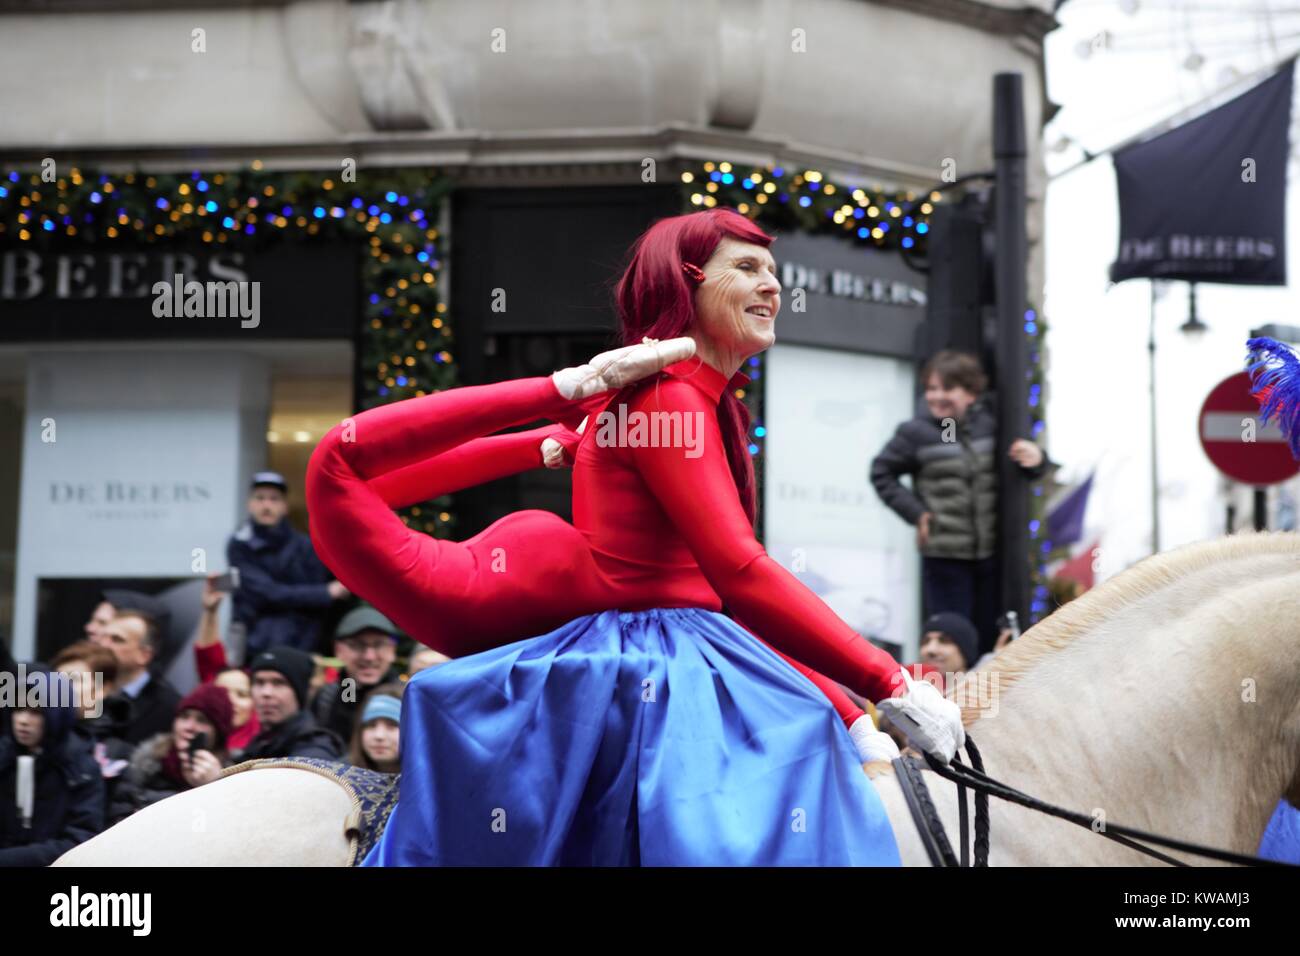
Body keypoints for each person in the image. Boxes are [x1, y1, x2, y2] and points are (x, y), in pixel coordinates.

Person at [305, 206, 962, 866]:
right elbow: (736, 572)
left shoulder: (699, 404)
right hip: (644, 658)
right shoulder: (669, 399)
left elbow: (719, 596)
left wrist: (850, 704)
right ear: (685, 284)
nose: (772, 286)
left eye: (772, 269)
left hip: (661, 644)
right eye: (747, 267)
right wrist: (888, 684)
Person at [870, 350, 1052, 655]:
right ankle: (951, 701)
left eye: (946, 388)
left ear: (970, 394)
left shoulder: (994, 424)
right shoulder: (915, 433)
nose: (936, 396)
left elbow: (1025, 467)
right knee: (949, 642)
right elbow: (881, 472)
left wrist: (1038, 460)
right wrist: (917, 513)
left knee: (991, 641)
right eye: (930, 388)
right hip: (945, 557)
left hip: (992, 556)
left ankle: (989, 702)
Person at [227, 470, 350, 657]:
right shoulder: (239, 545)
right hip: (257, 649)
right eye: (260, 498)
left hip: (306, 646)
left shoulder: (307, 546)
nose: (266, 505)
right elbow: (267, 594)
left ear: (285, 506)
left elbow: (319, 607)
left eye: (274, 499)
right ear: (249, 504)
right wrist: (325, 592)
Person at [0, 669, 104, 866]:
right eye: (18, 709)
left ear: (56, 714)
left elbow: (80, 840)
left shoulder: (81, 769)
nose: (23, 720)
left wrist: (10, 859)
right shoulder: (4, 757)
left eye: (36, 712)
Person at [108, 684, 233, 824]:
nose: (189, 727)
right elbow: (118, 813)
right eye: (184, 717)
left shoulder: (230, 778)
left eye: (202, 720)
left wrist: (212, 787)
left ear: (218, 733)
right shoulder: (144, 762)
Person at [310, 606, 404, 743]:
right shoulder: (327, 698)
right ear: (338, 650)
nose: (369, 656)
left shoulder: (407, 697)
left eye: (379, 645)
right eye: (358, 645)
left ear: (392, 651)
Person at [91, 605, 182, 746]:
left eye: (117, 639)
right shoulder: (84, 690)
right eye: (103, 637)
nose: (103, 645)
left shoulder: (170, 708)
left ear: (144, 655)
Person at [192, 573, 261, 756]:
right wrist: (210, 611)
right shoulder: (195, 736)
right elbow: (207, 654)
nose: (230, 701)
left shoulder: (264, 741)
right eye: (223, 692)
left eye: (242, 694)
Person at [239, 647, 343, 761]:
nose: (266, 693)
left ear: (300, 692)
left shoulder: (315, 748)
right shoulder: (260, 743)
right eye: (259, 682)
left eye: (279, 683)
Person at [346, 683, 403, 774]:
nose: (379, 735)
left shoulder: (430, 781)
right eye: (371, 725)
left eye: (392, 725)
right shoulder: (339, 777)